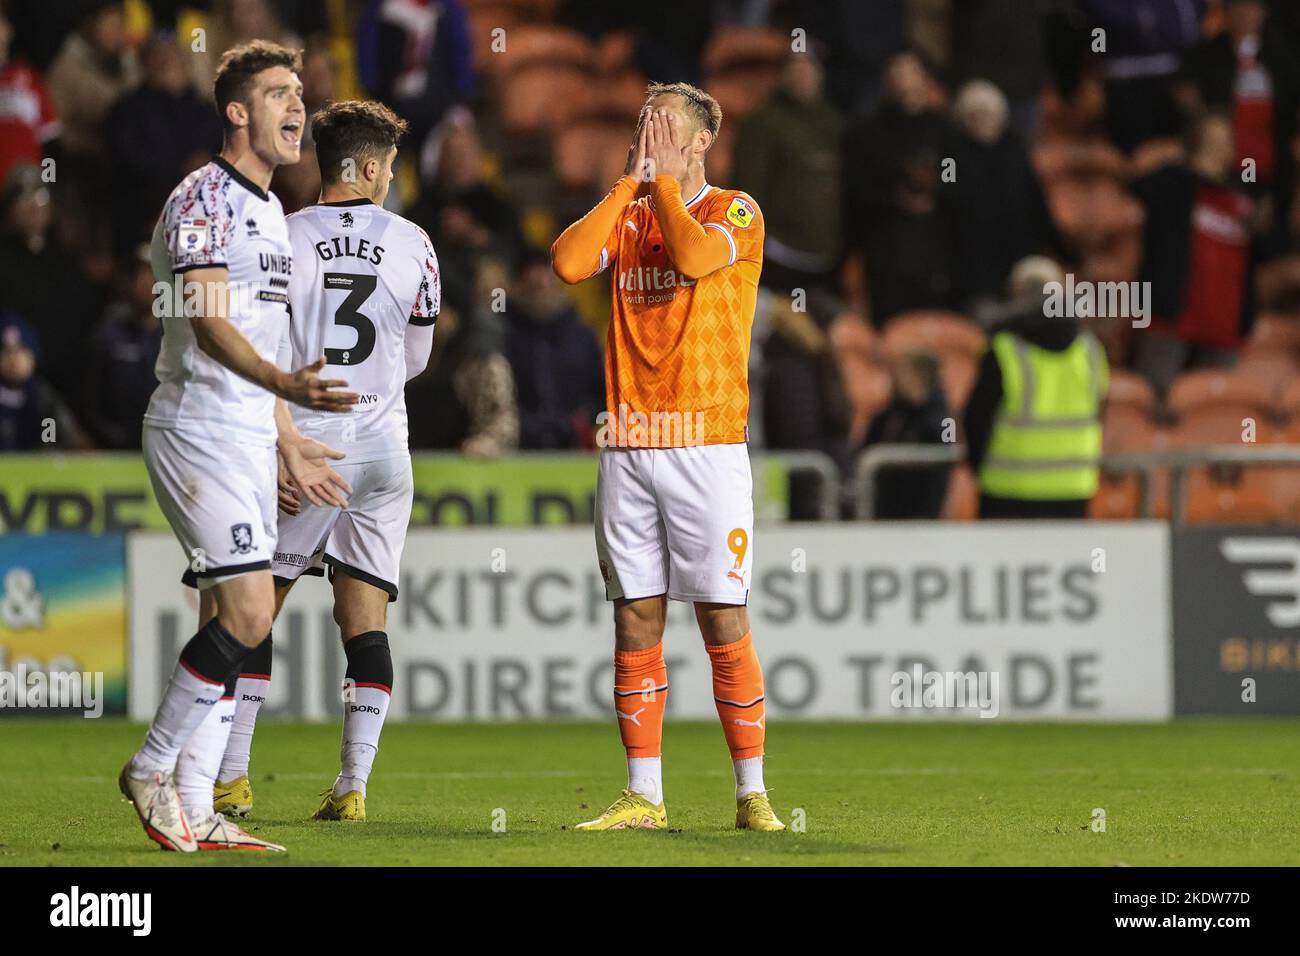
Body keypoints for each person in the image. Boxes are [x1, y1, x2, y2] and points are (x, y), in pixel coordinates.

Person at [118, 41, 357, 854]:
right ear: (237, 111)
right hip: (197, 426)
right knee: (252, 608)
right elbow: (216, 329)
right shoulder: (203, 199)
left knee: (231, 617)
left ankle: (193, 805)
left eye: (299, 92)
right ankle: (151, 768)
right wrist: (286, 387)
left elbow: (256, 330)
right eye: (279, 93)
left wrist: (286, 437)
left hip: (250, 433)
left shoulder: (267, 213)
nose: (298, 106)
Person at [551, 82, 784, 832]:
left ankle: (752, 794)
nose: (651, 140)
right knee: (636, 618)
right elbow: (566, 262)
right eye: (642, 128)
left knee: (722, 617)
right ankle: (643, 795)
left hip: (706, 444)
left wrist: (657, 188)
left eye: (666, 130)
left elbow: (687, 257)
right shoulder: (631, 210)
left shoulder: (734, 211)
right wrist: (628, 185)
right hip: (628, 444)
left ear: (700, 142)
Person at [210, 99, 439, 824]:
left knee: (249, 612)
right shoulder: (415, 243)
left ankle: (232, 777)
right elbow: (416, 357)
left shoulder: (280, 235)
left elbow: (254, 350)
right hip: (383, 454)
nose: (393, 178)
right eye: (391, 167)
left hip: (303, 451)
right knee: (364, 623)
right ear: (368, 168)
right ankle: (352, 786)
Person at [963, 274, 1109, 520]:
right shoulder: (1091, 349)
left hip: (1007, 488)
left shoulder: (1004, 349)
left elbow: (976, 419)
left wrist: (981, 466)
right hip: (1074, 487)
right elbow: (1100, 412)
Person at [732, 46, 844, 295]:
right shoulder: (762, 122)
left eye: (810, 67)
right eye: (796, 67)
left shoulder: (836, 124)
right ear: (782, 75)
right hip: (778, 253)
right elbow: (747, 187)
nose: (804, 74)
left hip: (827, 257)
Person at [504, 247, 604, 450]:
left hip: (573, 449)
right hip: (514, 449)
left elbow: (600, 392)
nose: (539, 283)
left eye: (544, 278)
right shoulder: (503, 333)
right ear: (517, 285)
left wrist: (582, 419)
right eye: (531, 282)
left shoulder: (581, 335)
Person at [82, 243, 163, 449]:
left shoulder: (177, 335)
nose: (146, 283)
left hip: (166, 447)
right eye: (140, 275)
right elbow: (90, 399)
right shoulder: (109, 334)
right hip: (117, 452)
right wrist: (111, 437)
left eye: (152, 275)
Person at [862, 351, 951, 519]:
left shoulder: (944, 416)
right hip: (889, 503)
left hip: (924, 501)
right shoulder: (890, 415)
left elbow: (949, 444)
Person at [0, 312, 88, 451]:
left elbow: (66, 438)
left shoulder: (43, 397)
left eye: (21, 351)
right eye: (7, 352)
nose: (14, 360)